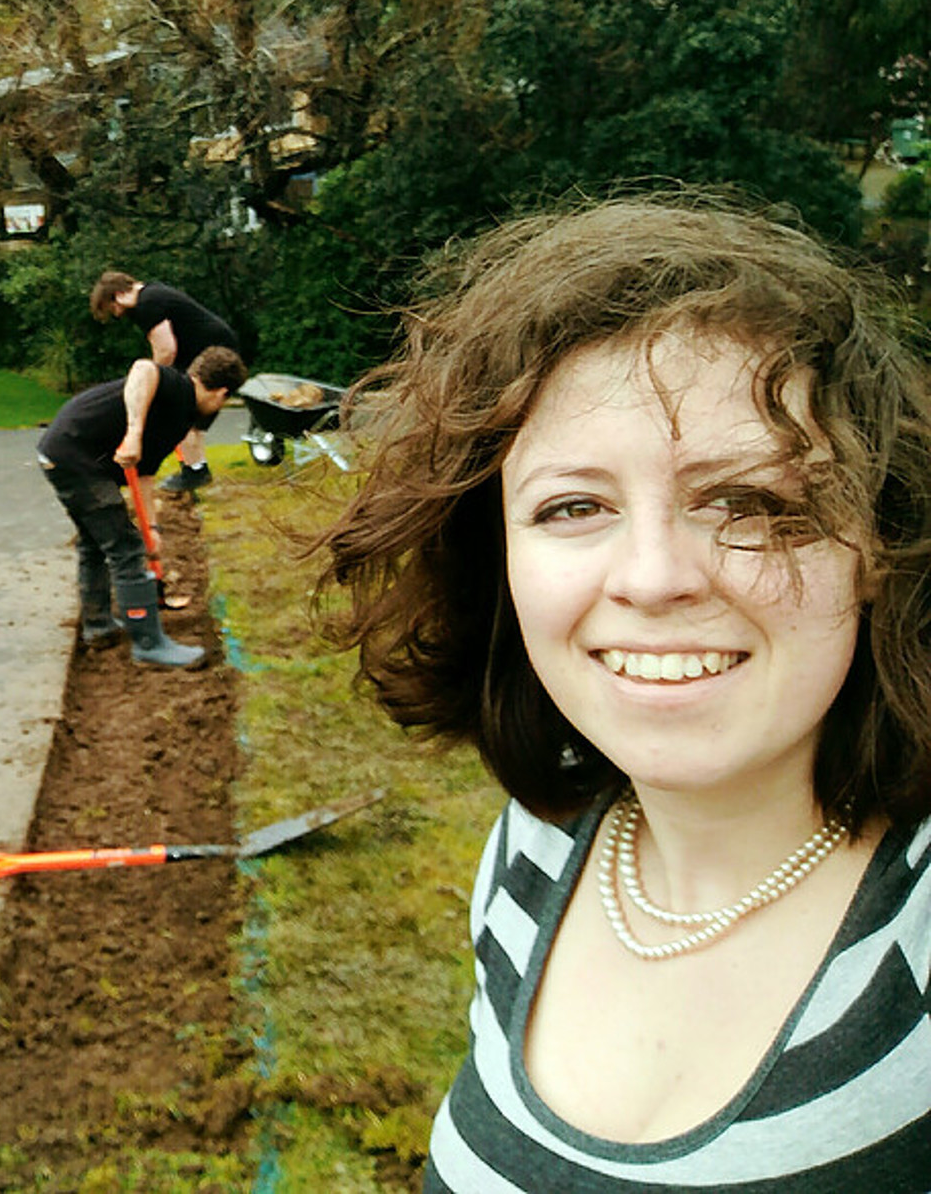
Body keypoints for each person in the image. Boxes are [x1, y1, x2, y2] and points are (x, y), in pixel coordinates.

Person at [318, 197, 931, 1189]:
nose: (651, 578)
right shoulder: (536, 847)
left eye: (749, 503)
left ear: (875, 550)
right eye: (573, 506)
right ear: (501, 557)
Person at [38, 345, 248, 668]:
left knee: (96, 544)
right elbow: (142, 368)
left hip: (65, 452)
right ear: (220, 393)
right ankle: (149, 645)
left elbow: (145, 474)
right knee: (126, 548)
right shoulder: (178, 389)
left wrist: (152, 528)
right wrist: (134, 433)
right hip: (75, 457)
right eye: (223, 400)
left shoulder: (179, 418)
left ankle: (98, 627)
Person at [90, 270, 242, 493]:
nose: (118, 313)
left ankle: (195, 473)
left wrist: (153, 382)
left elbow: (165, 351)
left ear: (119, 294)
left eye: (113, 307)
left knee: (179, 410)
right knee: (190, 416)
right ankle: (197, 469)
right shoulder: (154, 293)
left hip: (212, 357)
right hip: (218, 352)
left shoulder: (146, 305)